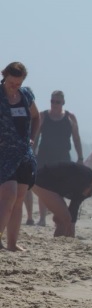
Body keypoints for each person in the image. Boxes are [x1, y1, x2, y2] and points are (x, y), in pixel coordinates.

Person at [26, 90, 83, 227]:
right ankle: (42, 219)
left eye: (57, 102)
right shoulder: (43, 116)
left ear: (63, 102)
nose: (54, 104)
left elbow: (76, 138)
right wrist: (30, 153)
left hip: (63, 157)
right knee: (42, 187)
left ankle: (59, 217)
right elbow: (34, 136)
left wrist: (80, 157)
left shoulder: (70, 117)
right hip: (45, 155)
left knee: (60, 188)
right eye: (52, 101)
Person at [0, 62, 39, 252]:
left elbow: (36, 117)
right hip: (3, 155)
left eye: (18, 83)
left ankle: (12, 243)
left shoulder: (25, 95)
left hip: (24, 154)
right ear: (4, 76)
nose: (14, 86)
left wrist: (32, 138)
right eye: (11, 82)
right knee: (8, 196)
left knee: (19, 199)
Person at [32, 163, 92, 238]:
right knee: (65, 218)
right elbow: (61, 187)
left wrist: (71, 225)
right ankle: (59, 244)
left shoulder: (90, 189)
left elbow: (74, 205)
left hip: (49, 186)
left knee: (66, 219)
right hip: (40, 179)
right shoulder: (84, 176)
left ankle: (60, 243)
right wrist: (61, 212)